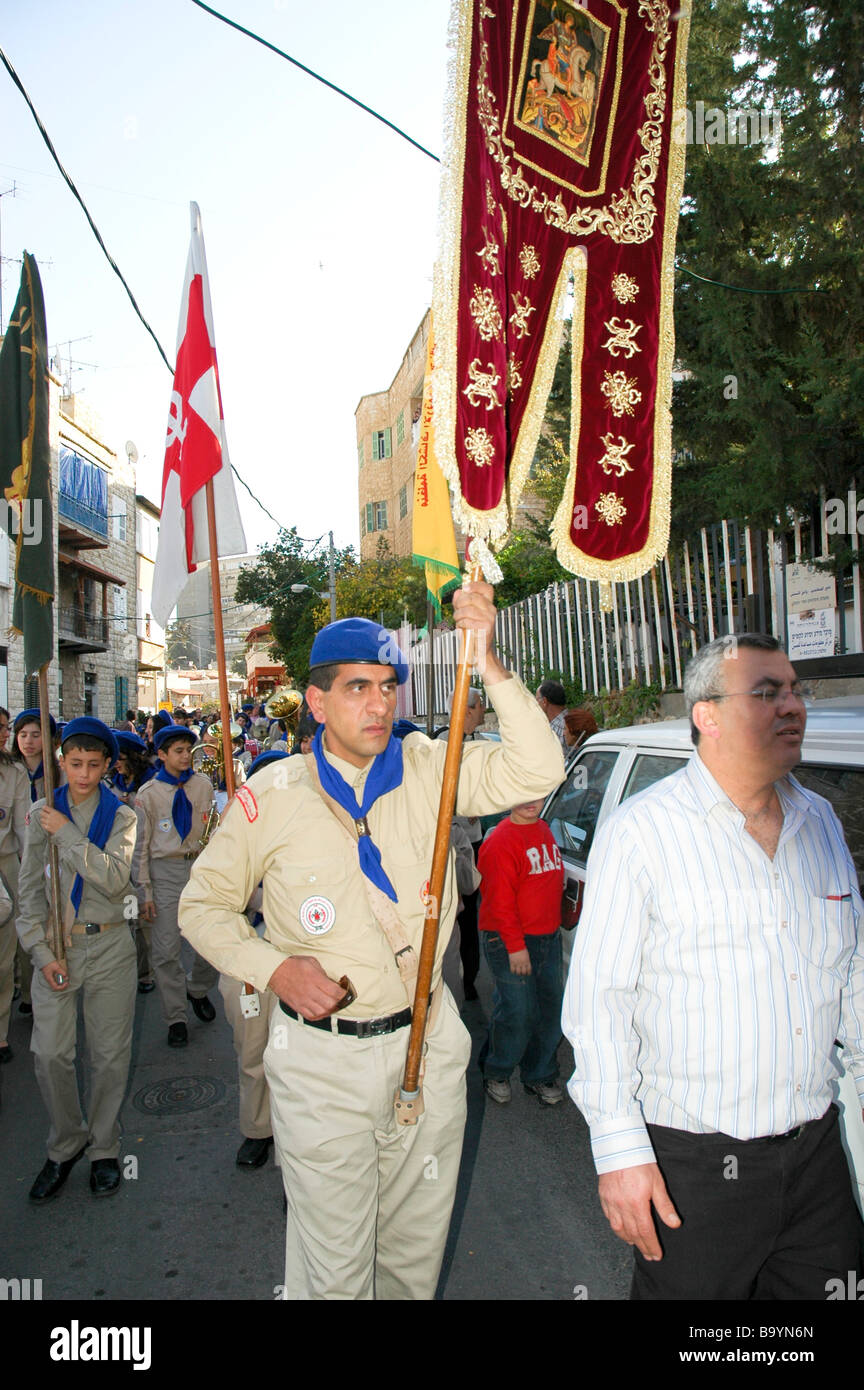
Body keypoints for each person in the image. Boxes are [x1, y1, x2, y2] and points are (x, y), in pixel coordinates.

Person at [179, 586, 565, 1299]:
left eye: (389, 687)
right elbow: (201, 906)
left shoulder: (433, 769)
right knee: (335, 1268)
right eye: (358, 688)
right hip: (322, 1062)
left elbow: (540, 771)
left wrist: (489, 663)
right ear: (318, 702)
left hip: (428, 1044)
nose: (380, 704)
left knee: (414, 1257)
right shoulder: (275, 793)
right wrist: (274, 968)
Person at [562, 633, 864, 1300]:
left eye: (795, 690)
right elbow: (600, 1005)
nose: (792, 706)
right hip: (695, 1167)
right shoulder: (644, 833)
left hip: (816, 1156)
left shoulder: (819, 822)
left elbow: (852, 977)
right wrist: (620, 1154)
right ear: (709, 715)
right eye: (767, 692)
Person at [17, 718, 138, 1201]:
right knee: (50, 1055)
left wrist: (67, 834)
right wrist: (40, 953)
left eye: (93, 765)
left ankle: (104, 1147)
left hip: (109, 945)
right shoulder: (39, 815)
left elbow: (114, 879)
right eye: (74, 764)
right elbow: (28, 895)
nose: (83, 775)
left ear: (108, 766)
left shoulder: (122, 816)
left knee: (109, 1057)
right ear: (61, 762)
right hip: (57, 946)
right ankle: (66, 1142)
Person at [218, 749, 286, 1170]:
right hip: (249, 950)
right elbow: (218, 897)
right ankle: (258, 1127)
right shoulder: (234, 831)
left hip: (299, 955)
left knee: (299, 1056)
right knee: (252, 1048)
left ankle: (296, 1149)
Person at [132, 724, 219, 1047]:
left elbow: (213, 829)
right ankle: (176, 1016)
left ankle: (196, 988)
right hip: (164, 871)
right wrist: (145, 891)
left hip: (199, 867)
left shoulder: (203, 785)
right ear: (162, 754)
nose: (185, 757)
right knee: (166, 950)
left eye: (188, 750)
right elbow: (140, 848)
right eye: (178, 751)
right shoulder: (148, 795)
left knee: (209, 942)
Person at [478, 796, 565, 1106]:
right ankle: (497, 1070)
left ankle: (540, 1074)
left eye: (538, 793)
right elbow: (498, 902)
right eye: (523, 793)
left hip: (547, 939)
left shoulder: (544, 829)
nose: (532, 801)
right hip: (509, 940)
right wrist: (516, 948)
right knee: (518, 1010)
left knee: (550, 1010)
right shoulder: (500, 841)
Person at [436, 687, 487, 1001]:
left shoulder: (479, 741)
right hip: (454, 840)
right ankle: (453, 980)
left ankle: (470, 980)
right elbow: (439, 789)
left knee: (472, 916)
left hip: (475, 838)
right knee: (456, 911)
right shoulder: (443, 742)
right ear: (469, 709)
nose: (484, 711)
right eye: (481, 706)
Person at [0, 731, 27, 1063]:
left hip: (5, 868)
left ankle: (1, 1033)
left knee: (3, 959)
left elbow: (22, 829)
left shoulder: (13, 774)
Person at [535, 680, 568, 751]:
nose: (536, 704)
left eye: (537, 700)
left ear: (544, 701)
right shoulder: (572, 719)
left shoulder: (562, 728)